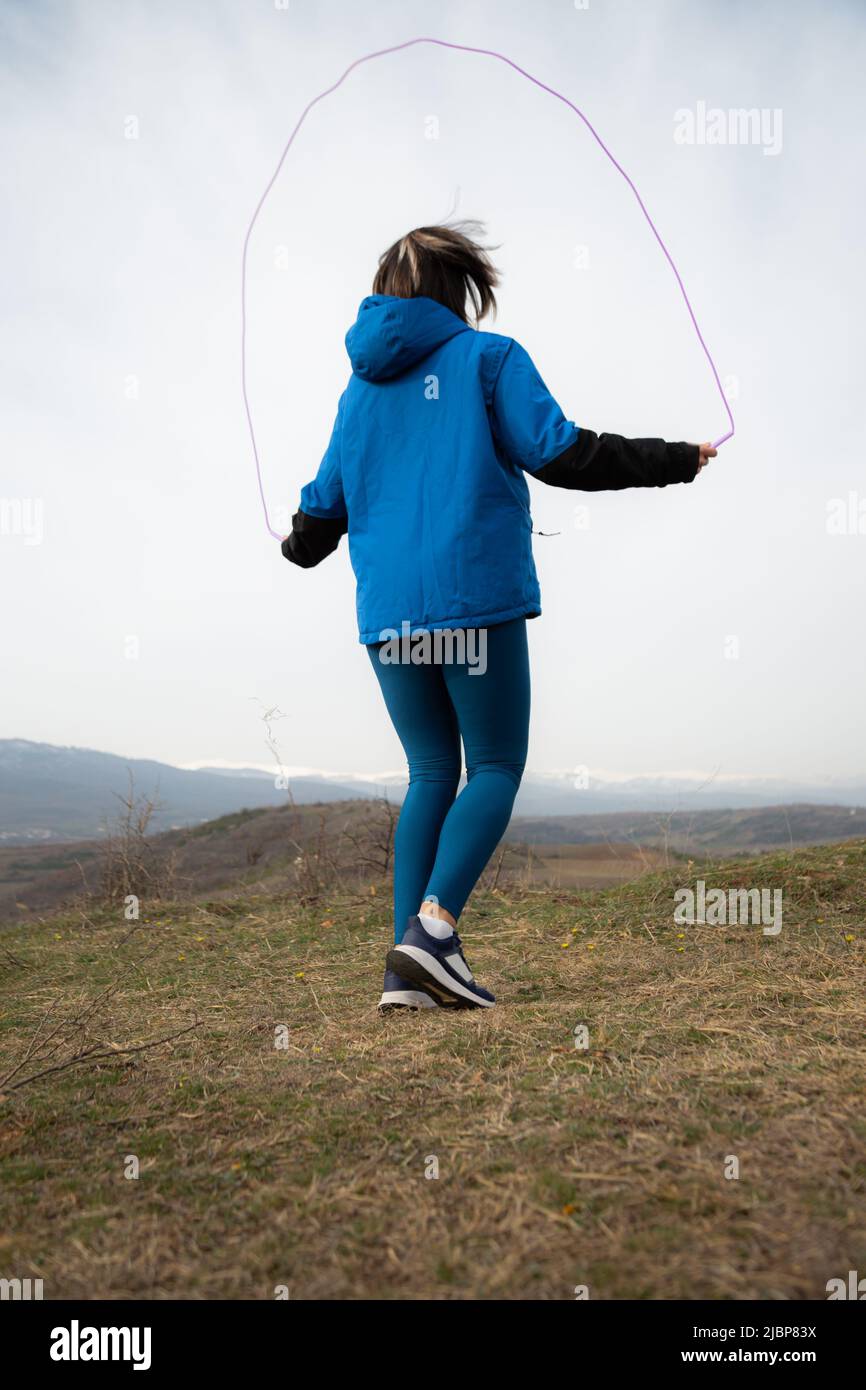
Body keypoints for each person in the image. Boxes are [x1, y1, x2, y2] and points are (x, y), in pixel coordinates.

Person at [282, 223, 716, 1013]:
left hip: (388, 619)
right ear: (460, 290)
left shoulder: (357, 393)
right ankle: (433, 935)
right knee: (492, 768)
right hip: (472, 598)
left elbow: (318, 520)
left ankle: (403, 973)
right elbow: (561, 454)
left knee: (428, 774)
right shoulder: (489, 359)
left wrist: (295, 542)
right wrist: (674, 459)